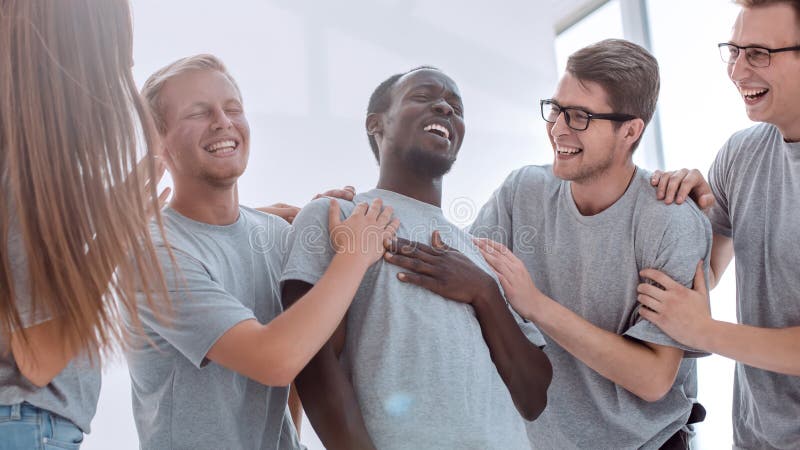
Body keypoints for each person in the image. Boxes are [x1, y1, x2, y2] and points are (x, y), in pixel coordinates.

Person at [395, 40, 712, 449]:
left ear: (630, 130)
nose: (558, 128)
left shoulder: (670, 221)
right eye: (556, 109)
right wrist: (353, 214)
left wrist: (535, 304)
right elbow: (451, 265)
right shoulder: (523, 190)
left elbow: (653, 379)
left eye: (580, 116)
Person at [126, 54, 399, 450]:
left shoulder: (274, 233)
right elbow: (274, 358)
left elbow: (305, 348)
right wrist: (355, 254)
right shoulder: (153, 254)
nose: (223, 121)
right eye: (199, 113)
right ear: (159, 142)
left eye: (233, 108)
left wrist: (317, 230)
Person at [280, 66, 552, 450]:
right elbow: (312, 362)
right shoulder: (338, 215)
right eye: (423, 97)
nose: (444, 108)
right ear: (377, 124)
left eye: (456, 107)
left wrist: (484, 292)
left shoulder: (483, 257)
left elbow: (534, 397)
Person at [0, 1, 170, 448]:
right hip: (26, 423)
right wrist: (117, 225)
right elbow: (38, 359)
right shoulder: (30, 180)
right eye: (114, 61)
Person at [644, 1, 800, 447]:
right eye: (733, 50)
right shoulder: (741, 154)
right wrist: (684, 213)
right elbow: (702, 275)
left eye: (758, 54)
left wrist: (705, 332)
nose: (736, 71)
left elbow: (696, 320)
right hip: (754, 437)